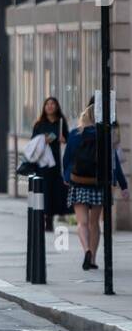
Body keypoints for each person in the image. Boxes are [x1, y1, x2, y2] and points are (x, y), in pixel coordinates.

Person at [62, 102, 128, 270]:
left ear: (84, 116)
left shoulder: (75, 134)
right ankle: (93, 260)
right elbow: (114, 163)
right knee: (94, 223)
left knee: (82, 223)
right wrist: (123, 184)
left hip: (78, 182)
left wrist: (66, 177)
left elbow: (67, 159)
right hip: (98, 183)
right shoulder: (105, 136)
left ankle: (87, 251)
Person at [32, 96, 69, 233]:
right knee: (44, 192)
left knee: (55, 192)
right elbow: (33, 142)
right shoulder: (39, 124)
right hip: (42, 164)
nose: (50, 106)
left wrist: (63, 139)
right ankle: (44, 218)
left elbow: (68, 140)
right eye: (47, 104)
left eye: (53, 104)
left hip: (57, 163)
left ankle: (51, 219)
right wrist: (43, 140)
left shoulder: (61, 122)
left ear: (57, 107)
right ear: (44, 107)